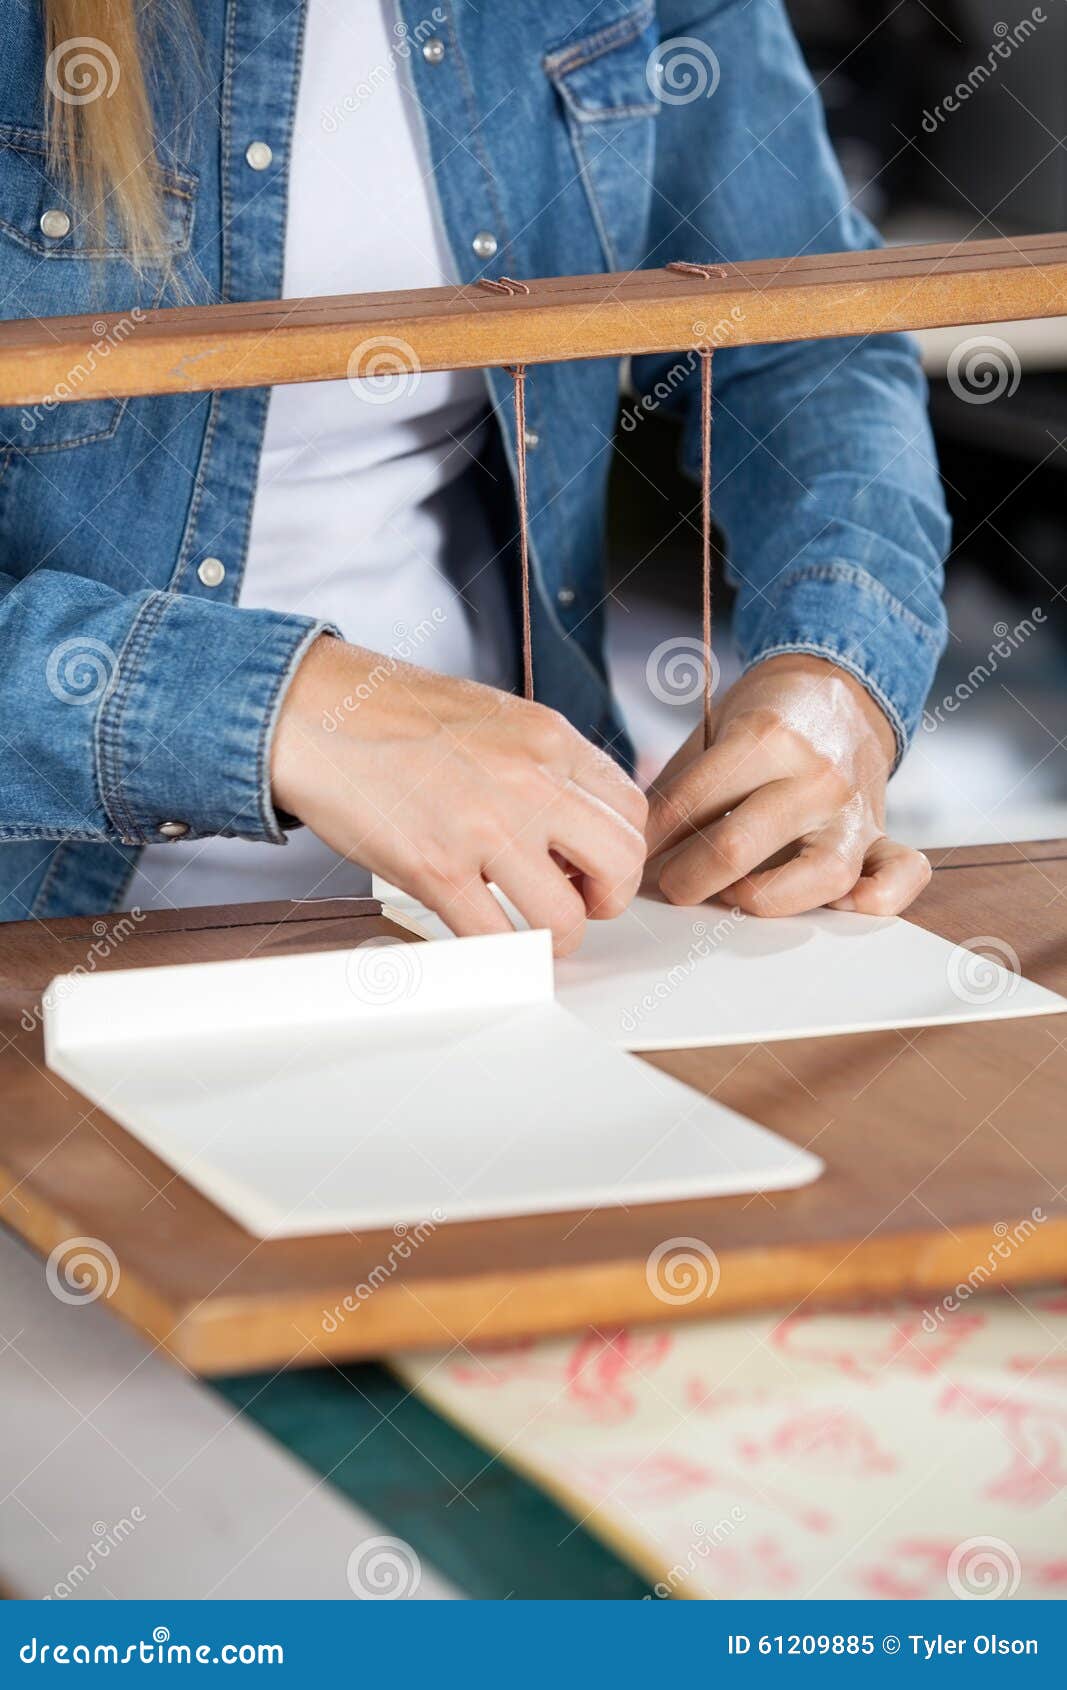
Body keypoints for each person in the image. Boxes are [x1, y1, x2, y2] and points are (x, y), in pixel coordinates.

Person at [0, 1, 949, 950]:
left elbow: (803, 348)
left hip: (530, 913)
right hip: (50, 933)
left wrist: (834, 671)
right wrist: (281, 708)